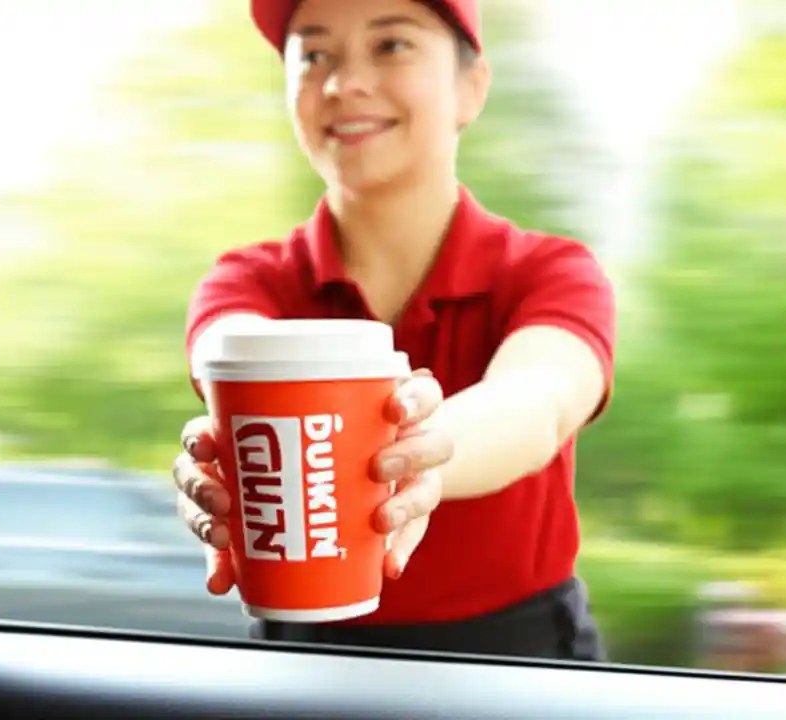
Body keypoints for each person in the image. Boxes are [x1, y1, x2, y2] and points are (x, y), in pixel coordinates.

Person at [173, 0, 615, 661]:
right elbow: (230, 358)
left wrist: (416, 460)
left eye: (391, 47)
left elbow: (540, 401)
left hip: (521, 668)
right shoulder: (249, 283)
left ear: (472, 87)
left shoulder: (551, 272)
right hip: (300, 664)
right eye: (314, 54)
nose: (343, 83)